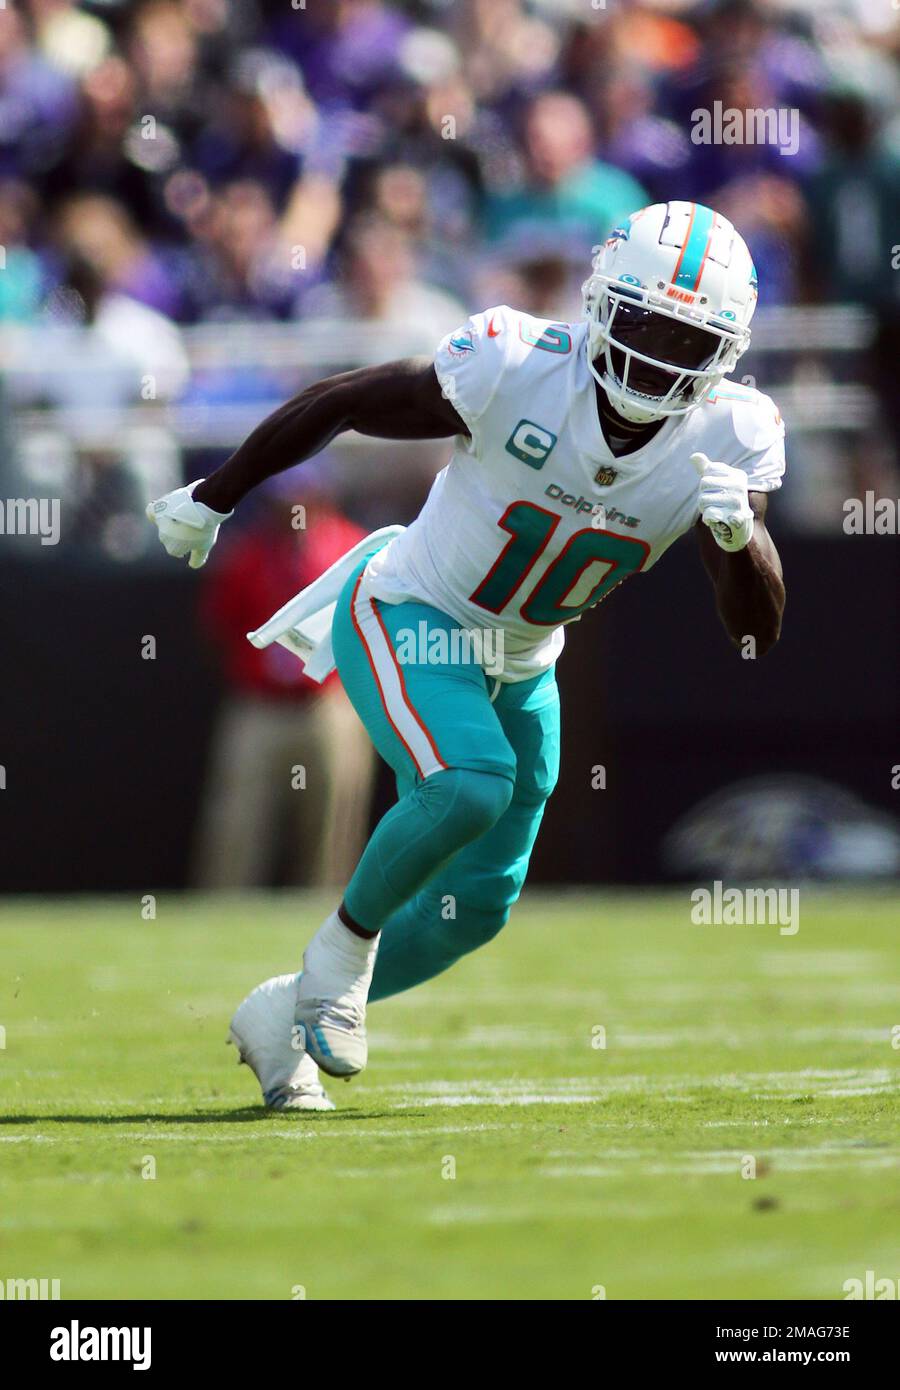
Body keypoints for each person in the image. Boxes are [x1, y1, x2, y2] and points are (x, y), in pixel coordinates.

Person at [147, 201, 786, 1112]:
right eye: (644, 323)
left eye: (688, 340)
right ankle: (336, 962)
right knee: (469, 781)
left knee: (479, 906)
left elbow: (755, 631)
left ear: (725, 353)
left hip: (524, 655)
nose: (657, 356)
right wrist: (216, 495)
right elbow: (347, 401)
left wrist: (736, 539)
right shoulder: (518, 364)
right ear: (601, 306)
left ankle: (284, 1017)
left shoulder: (734, 433)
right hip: (413, 606)